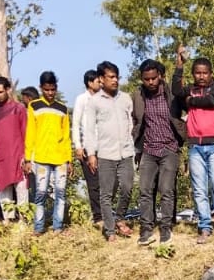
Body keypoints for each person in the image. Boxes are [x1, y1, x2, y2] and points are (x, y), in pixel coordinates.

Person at [173, 49, 214, 242]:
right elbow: (175, 90)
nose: (201, 76)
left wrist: (191, 101)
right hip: (195, 146)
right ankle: (204, 226)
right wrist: (179, 65)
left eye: (204, 73)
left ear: (211, 73)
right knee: (199, 188)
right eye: (197, 73)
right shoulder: (189, 89)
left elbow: (213, 100)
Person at [132, 59, 184, 245]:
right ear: (142, 79)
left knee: (166, 189)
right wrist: (137, 148)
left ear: (160, 76)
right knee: (145, 190)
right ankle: (146, 229)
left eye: (154, 78)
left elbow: (181, 111)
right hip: (148, 149)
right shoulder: (138, 95)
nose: (151, 82)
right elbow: (136, 122)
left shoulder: (170, 94)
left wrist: (179, 67)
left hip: (169, 148)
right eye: (147, 79)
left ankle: (165, 228)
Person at [84, 60, 137, 241]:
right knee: (105, 194)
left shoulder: (126, 98)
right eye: (111, 77)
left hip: (126, 152)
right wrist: (91, 153)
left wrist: (132, 144)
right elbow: (89, 129)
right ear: (101, 79)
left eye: (117, 77)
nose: (115, 80)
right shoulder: (94, 102)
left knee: (127, 187)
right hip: (105, 154)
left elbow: (131, 123)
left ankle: (120, 218)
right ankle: (110, 230)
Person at [23, 71, 72, 235]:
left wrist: (69, 160)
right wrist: (28, 158)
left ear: (56, 88)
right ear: (41, 88)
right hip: (42, 158)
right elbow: (30, 133)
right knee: (41, 193)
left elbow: (66, 136)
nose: (50, 93)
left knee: (60, 193)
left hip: (60, 158)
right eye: (46, 90)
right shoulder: (34, 106)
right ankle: (38, 227)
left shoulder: (62, 108)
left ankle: (58, 226)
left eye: (53, 89)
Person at [0, 76, 29, 221]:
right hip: (1, 156)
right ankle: (9, 222)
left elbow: (25, 132)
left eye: (0, 92)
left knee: (21, 190)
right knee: (3, 191)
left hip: (18, 155)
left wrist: (26, 156)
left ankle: (23, 223)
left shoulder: (19, 108)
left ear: (8, 90)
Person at [72, 70, 103, 225]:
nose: (101, 83)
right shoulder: (81, 99)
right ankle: (98, 217)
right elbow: (76, 123)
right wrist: (78, 146)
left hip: (103, 147)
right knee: (93, 184)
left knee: (107, 183)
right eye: (98, 81)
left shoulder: (103, 99)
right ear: (90, 83)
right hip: (87, 147)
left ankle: (108, 214)